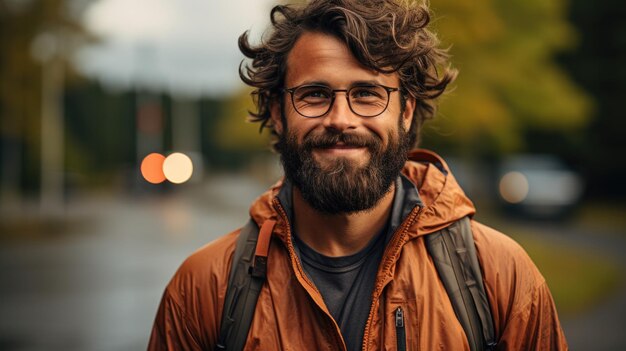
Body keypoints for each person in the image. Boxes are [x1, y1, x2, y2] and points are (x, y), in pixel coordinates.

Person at [148, 0, 568, 350]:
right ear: (277, 113)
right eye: (314, 94)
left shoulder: (500, 276)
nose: (341, 119)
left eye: (367, 94)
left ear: (405, 111)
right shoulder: (203, 290)